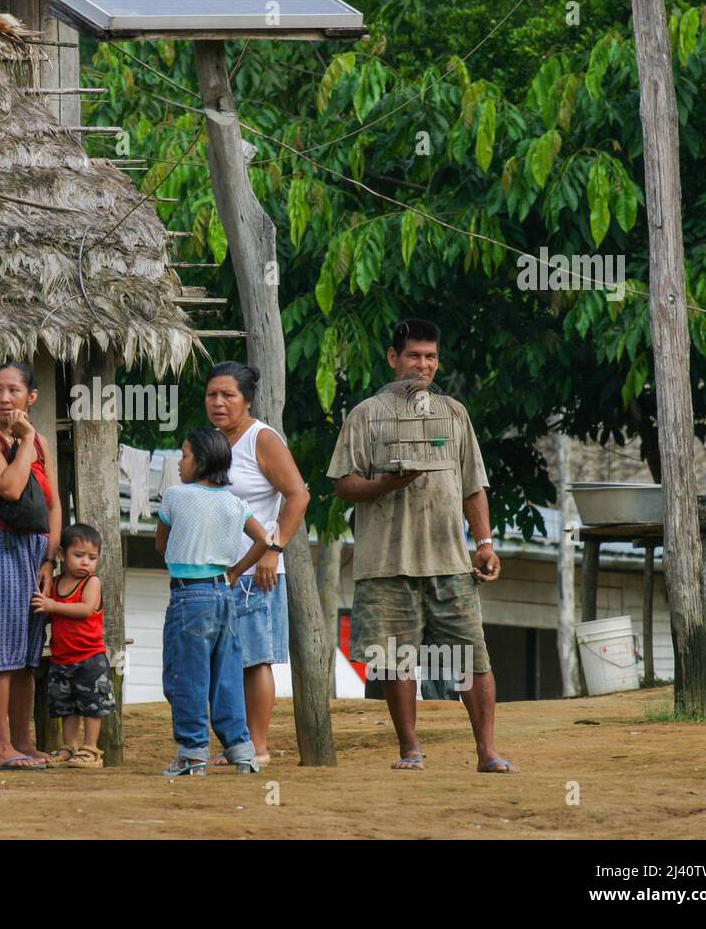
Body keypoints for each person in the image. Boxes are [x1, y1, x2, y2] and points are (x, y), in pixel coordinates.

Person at [329, 319, 516, 773]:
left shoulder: (454, 414)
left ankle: (487, 752)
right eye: (413, 355)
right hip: (385, 563)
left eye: (430, 356)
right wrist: (386, 485)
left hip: (450, 560)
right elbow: (344, 485)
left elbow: (474, 487)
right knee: (394, 663)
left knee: (473, 657)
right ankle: (409, 749)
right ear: (394, 358)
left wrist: (485, 544)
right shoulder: (365, 414)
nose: (423, 364)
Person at [204, 361, 310, 766]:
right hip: (212, 571)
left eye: (228, 395)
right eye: (212, 394)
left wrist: (274, 548)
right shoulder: (209, 441)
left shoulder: (261, 439)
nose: (218, 402)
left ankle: (258, 748)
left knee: (254, 659)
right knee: (219, 661)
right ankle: (233, 743)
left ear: (247, 400)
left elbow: (298, 496)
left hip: (254, 572)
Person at [155, 426, 273, 777]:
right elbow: (265, 539)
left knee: (184, 676)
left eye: (185, 455)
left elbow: (161, 544)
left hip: (188, 596)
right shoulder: (234, 502)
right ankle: (241, 750)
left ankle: (192, 754)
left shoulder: (176, 496)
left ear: (201, 461)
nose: (179, 462)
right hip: (224, 594)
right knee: (225, 676)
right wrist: (235, 571)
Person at [0, 361, 62, 771]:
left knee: (26, 655)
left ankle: (23, 743)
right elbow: (9, 485)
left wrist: (50, 559)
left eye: (14, 392)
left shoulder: (40, 441)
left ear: (31, 398)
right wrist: (23, 442)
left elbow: (53, 504)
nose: (4, 399)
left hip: (33, 551)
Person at [32, 523, 114, 769]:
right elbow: (48, 614)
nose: (85, 563)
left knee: (92, 705)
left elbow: (85, 609)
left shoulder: (92, 583)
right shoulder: (55, 585)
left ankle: (91, 750)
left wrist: (52, 606)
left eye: (92, 558)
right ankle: (70, 747)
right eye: (78, 556)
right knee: (67, 706)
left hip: (90, 657)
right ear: (61, 554)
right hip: (62, 657)